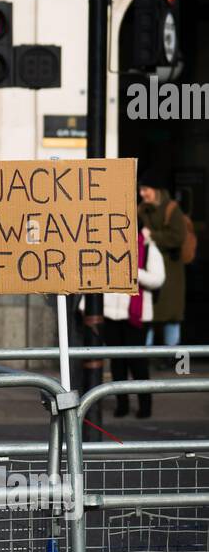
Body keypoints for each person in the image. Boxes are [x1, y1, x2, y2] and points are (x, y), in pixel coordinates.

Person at [101, 227, 165, 419]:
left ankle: (145, 406)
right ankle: (122, 404)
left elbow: (157, 279)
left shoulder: (148, 248)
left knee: (138, 364)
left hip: (136, 316)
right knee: (117, 364)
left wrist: (133, 271)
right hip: (110, 313)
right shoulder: (107, 246)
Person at [137, 169, 186, 354]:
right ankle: (146, 354)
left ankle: (174, 357)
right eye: (141, 190)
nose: (142, 194)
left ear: (156, 189)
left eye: (145, 189)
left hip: (171, 270)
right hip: (148, 267)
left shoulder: (172, 209)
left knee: (171, 316)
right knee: (147, 313)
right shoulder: (141, 209)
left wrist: (153, 236)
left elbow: (178, 237)